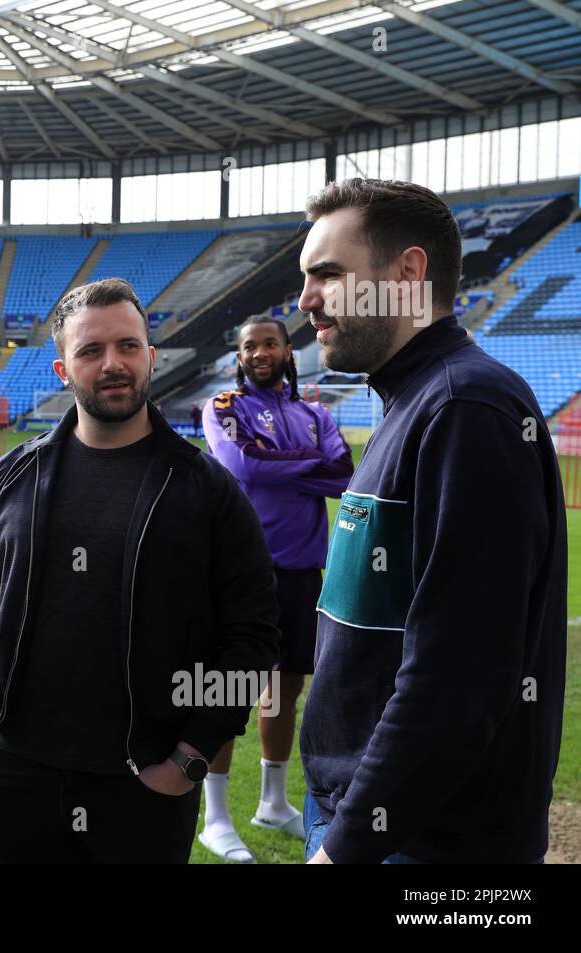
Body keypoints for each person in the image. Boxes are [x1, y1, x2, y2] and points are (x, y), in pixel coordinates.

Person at [0, 277, 280, 864]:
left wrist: (189, 760)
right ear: (62, 370)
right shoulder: (11, 478)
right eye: (90, 351)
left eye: (128, 346)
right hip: (17, 780)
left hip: (145, 785)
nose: (113, 364)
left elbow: (253, 635)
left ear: (151, 358)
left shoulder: (206, 489)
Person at [297, 178, 567, 864]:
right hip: (365, 819)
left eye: (328, 274)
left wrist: (348, 844)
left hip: (420, 845)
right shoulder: (415, 401)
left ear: (408, 274)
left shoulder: (464, 409)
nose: (306, 301)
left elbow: (455, 679)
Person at [198, 316, 353, 863]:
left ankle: (272, 802)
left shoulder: (315, 414)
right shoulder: (223, 409)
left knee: (285, 686)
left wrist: (279, 465)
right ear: (238, 358)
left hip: (301, 574)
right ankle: (214, 818)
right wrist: (302, 467)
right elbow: (245, 462)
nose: (260, 352)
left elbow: (345, 475)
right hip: (240, 570)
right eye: (249, 346)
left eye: (269, 343)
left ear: (289, 350)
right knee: (232, 687)